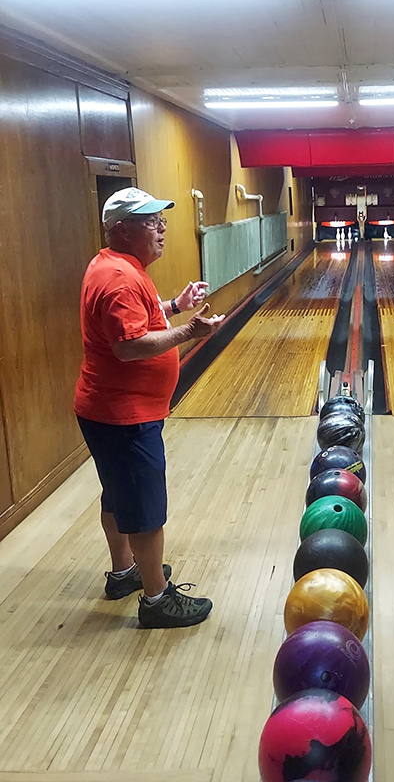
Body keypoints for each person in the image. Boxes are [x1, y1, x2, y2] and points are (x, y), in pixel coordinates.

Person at [74, 187, 225, 628]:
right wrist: (189, 331)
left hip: (109, 409)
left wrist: (175, 306)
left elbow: (136, 317)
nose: (161, 229)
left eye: (161, 220)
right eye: (151, 221)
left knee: (118, 493)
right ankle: (156, 600)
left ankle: (125, 573)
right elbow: (129, 345)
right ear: (123, 229)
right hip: (124, 416)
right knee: (143, 508)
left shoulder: (114, 265)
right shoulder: (120, 277)